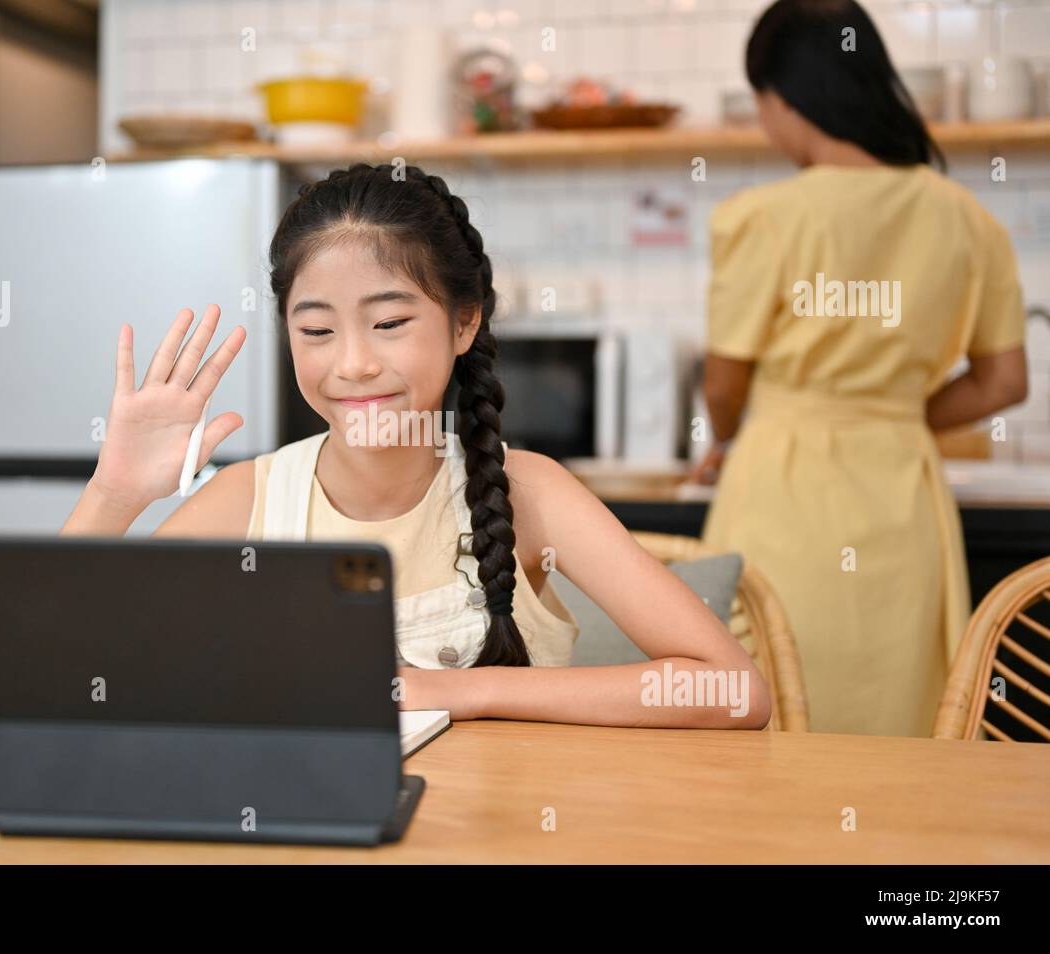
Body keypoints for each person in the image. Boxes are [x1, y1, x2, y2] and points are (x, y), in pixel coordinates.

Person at [62, 162, 771, 729]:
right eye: (316, 331)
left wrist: (465, 691)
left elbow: (734, 691)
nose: (353, 363)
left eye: (391, 321)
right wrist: (113, 496)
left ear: (465, 324)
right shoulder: (248, 500)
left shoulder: (533, 493)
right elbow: (65, 674)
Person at [690, 0, 1028, 736]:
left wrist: (721, 437)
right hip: (902, 492)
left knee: (772, 690)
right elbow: (1004, 382)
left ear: (784, 97)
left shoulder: (763, 217)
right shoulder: (970, 219)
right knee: (900, 710)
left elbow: (724, 377)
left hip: (782, 483)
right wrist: (894, 413)